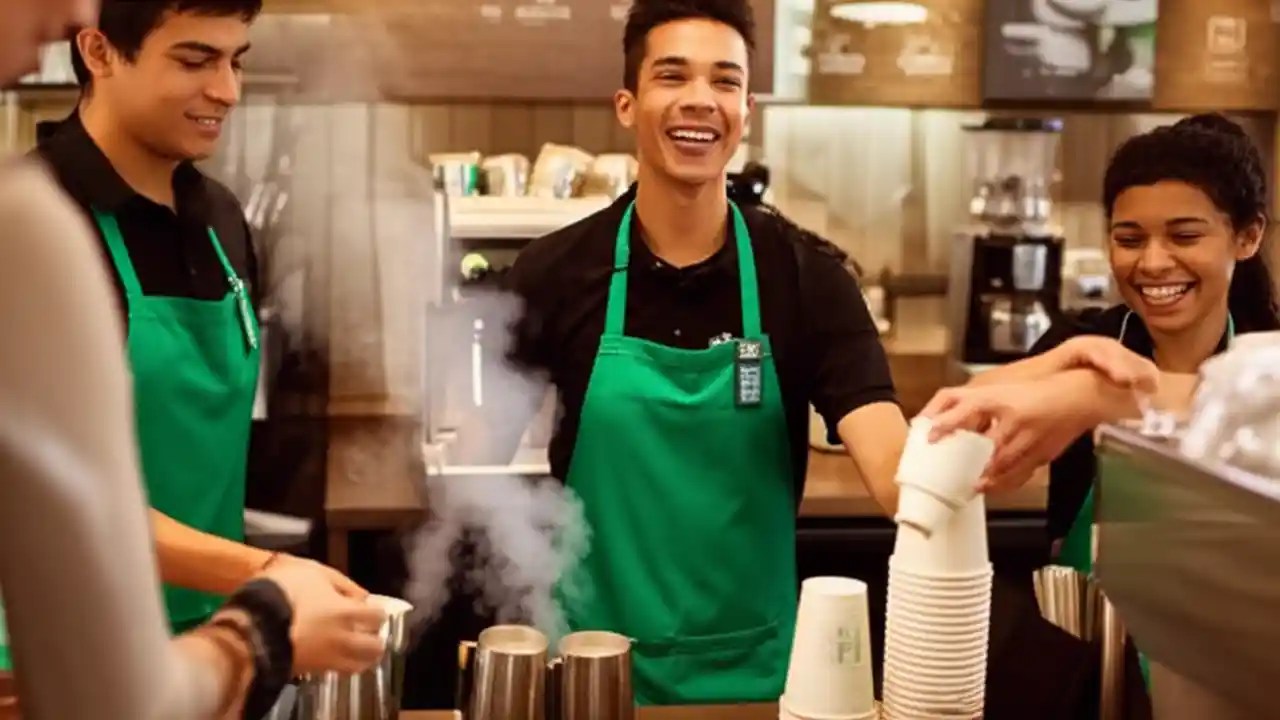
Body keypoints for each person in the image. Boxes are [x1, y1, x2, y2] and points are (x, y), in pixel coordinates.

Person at [454, 0, 910, 705]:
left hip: (764, 678)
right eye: (673, 76)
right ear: (628, 105)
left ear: (747, 110)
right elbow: (475, 473)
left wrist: (994, 432)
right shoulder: (554, 274)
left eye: (725, 81)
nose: (701, 99)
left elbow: (896, 476)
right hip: (592, 675)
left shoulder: (807, 280)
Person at [0, 1, 387, 717]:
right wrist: (266, 573)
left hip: (220, 644)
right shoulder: (34, 223)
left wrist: (258, 606)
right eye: (194, 60)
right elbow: (44, 496)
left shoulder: (222, 220)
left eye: (235, 60)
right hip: (56, 660)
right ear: (98, 50)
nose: (228, 91)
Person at [925, 113, 1277, 569]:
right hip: (1089, 627)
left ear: (1247, 237)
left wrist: (1102, 398)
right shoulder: (1084, 343)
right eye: (1129, 239)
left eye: (1184, 236)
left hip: (1223, 631)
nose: (1152, 263)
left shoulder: (1265, 353)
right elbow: (952, 428)